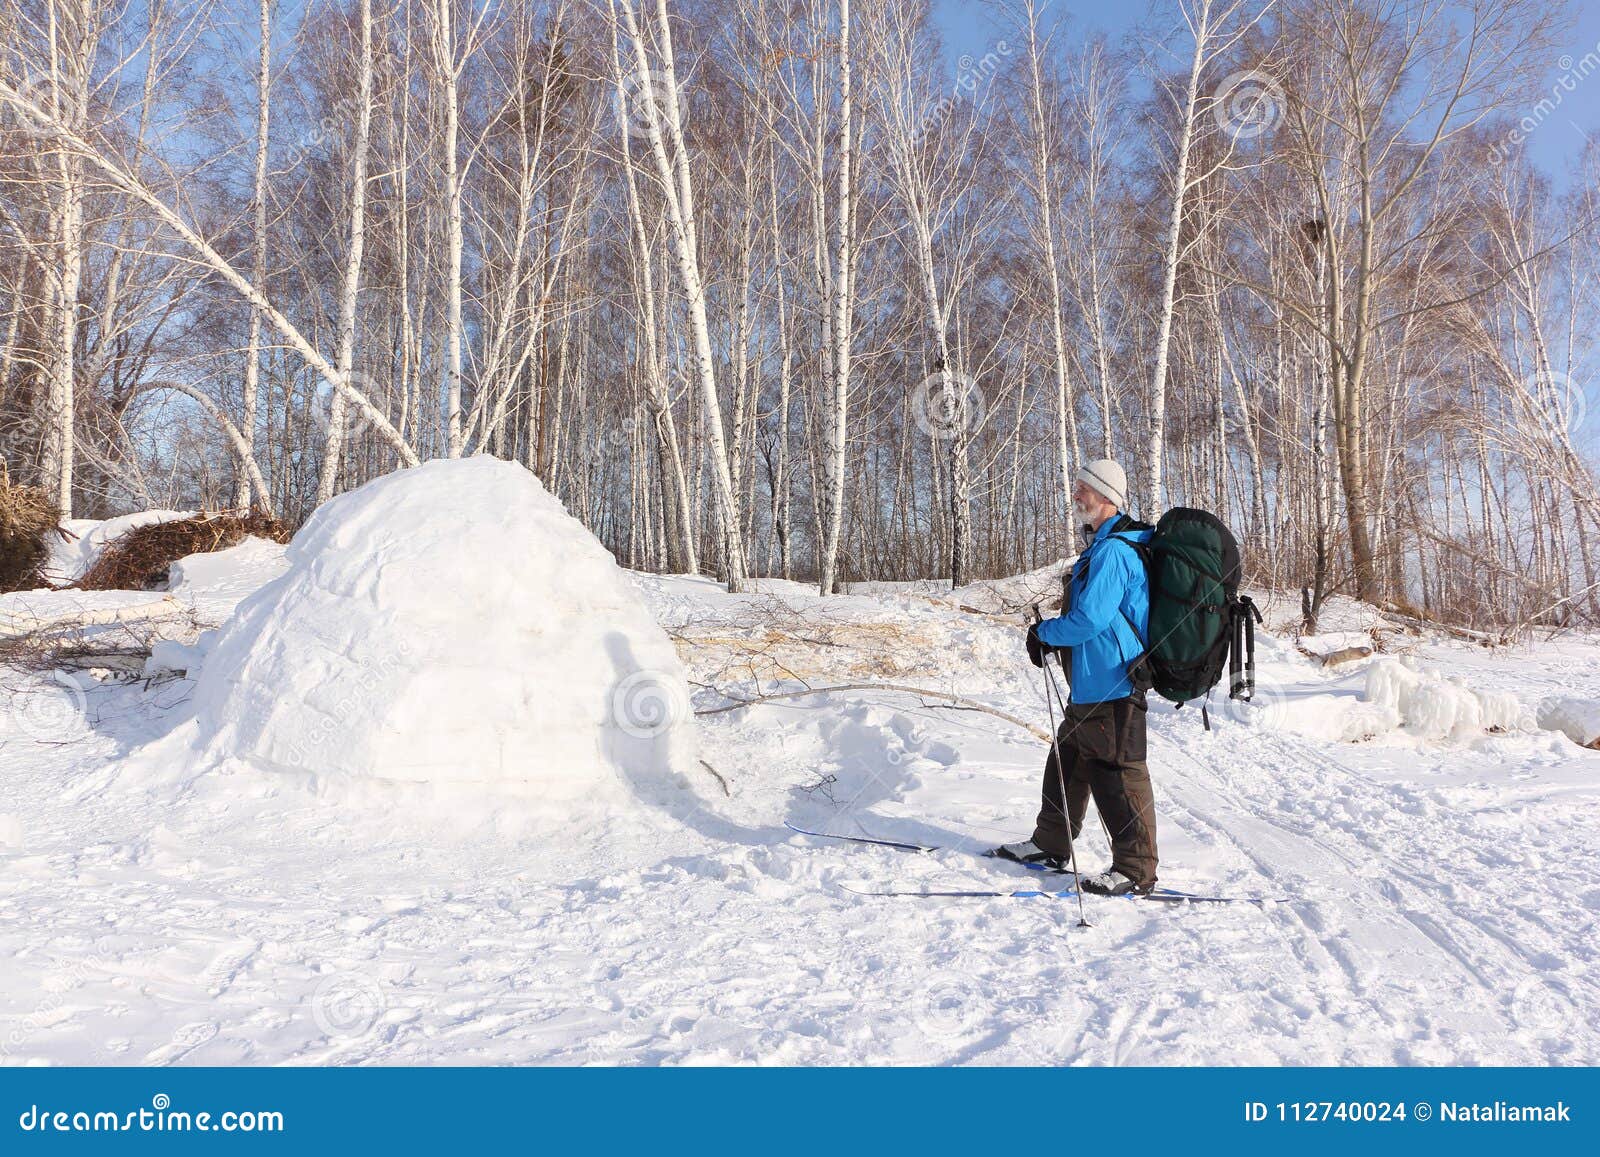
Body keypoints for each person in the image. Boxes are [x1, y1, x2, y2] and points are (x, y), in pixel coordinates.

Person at [991, 459, 1160, 897]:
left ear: (1106, 495)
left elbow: (1090, 619)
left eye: (1083, 488)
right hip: (1091, 683)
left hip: (1114, 683)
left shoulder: (1115, 551)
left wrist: (1045, 633)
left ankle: (1135, 870)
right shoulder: (1101, 547)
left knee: (1117, 773)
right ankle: (1050, 843)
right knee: (1067, 759)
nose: (1076, 495)